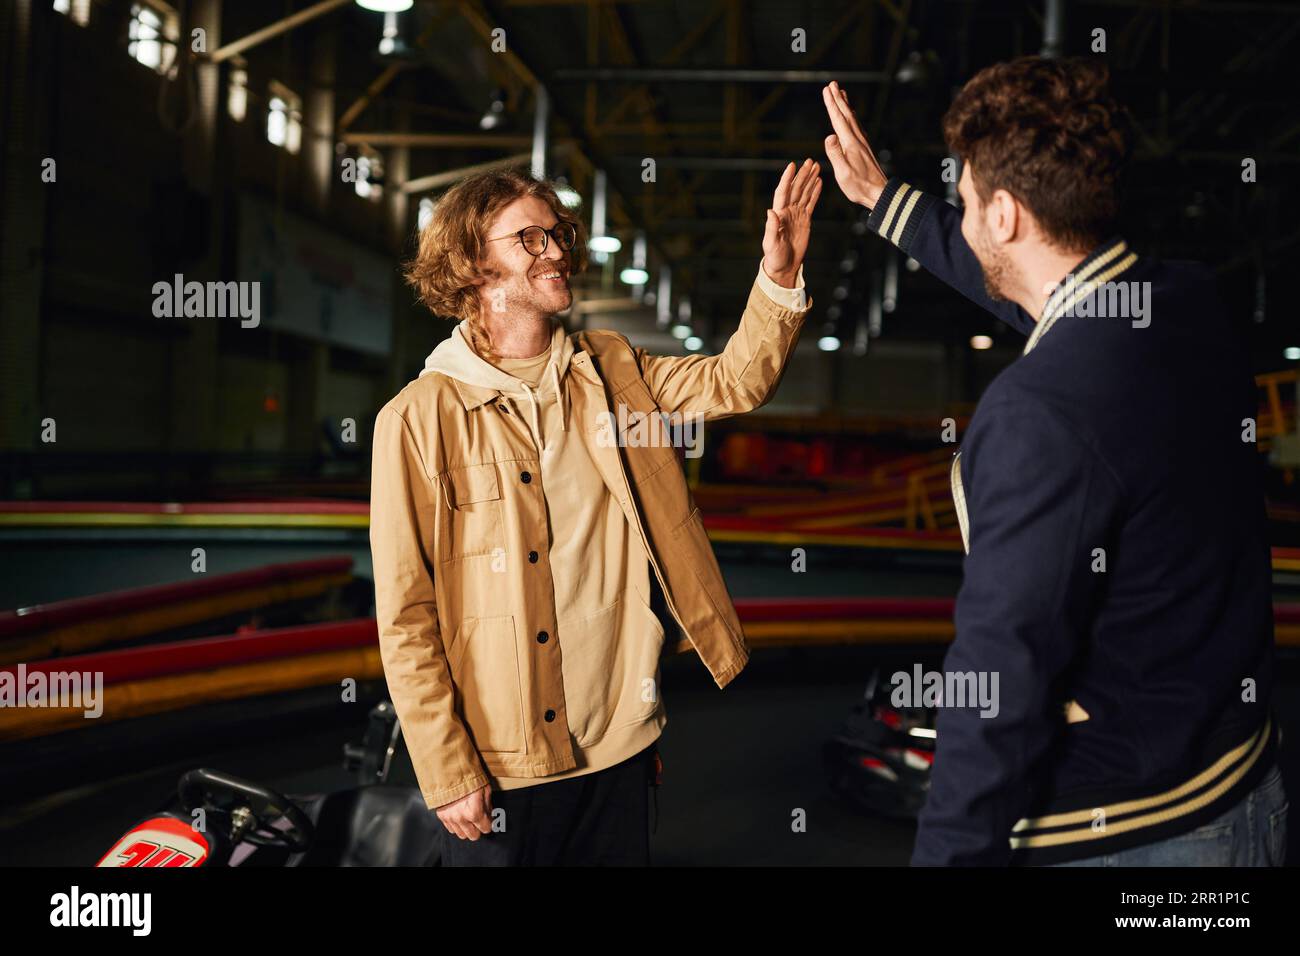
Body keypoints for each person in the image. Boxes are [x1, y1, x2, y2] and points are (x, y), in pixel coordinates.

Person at [821, 57, 1285, 866]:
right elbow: (1040, 290)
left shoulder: (1039, 413)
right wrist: (886, 203)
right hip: (1246, 790)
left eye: (966, 202)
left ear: (1003, 215)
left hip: (1126, 834)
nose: (963, 218)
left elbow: (999, 678)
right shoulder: (1184, 302)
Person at [368, 161, 820, 864]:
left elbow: (736, 381)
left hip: (622, 745)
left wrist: (779, 274)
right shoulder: (418, 419)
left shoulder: (613, 371)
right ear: (472, 266)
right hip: (503, 764)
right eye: (529, 239)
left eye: (559, 234)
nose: (556, 251)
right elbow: (405, 613)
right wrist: (446, 768)